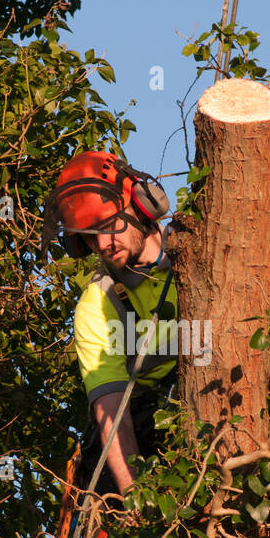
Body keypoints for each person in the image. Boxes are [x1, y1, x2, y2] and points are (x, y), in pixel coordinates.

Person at [41, 151, 178, 517]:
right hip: (144, 435)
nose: (102, 245)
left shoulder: (199, 252)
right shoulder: (97, 305)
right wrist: (136, 502)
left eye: (108, 226)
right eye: (88, 238)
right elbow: (112, 416)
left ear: (141, 205)